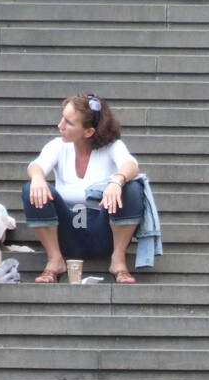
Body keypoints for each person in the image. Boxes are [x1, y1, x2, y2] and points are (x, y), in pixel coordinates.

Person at [23, 94, 144, 284]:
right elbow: (36, 165)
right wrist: (38, 177)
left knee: (133, 187)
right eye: (62, 118)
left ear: (88, 132)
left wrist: (116, 181)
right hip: (68, 233)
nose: (60, 125)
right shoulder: (59, 146)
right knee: (32, 187)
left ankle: (118, 260)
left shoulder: (113, 147)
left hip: (103, 232)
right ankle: (55, 260)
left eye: (69, 123)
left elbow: (131, 165)